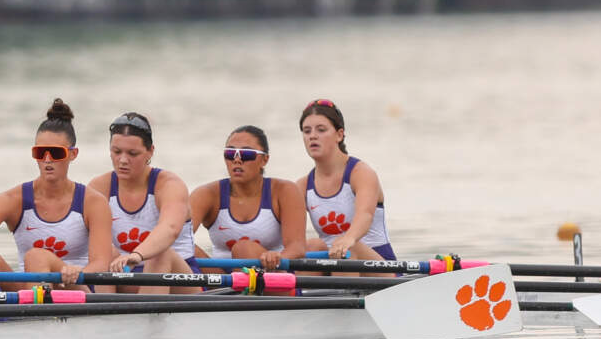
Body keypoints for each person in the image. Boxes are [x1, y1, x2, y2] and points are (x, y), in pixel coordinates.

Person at [0, 98, 114, 275]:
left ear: (73, 154)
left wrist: (77, 273)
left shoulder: (93, 202)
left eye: (56, 153)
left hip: (77, 288)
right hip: (30, 288)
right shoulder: (12, 200)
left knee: (37, 257)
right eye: (41, 153)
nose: (47, 160)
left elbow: (101, 264)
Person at [92, 111, 193, 283]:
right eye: (117, 151)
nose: (123, 160)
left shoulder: (169, 185)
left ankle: (142, 308)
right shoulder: (99, 187)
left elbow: (170, 228)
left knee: (160, 254)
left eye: (132, 154)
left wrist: (138, 255)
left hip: (178, 280)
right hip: (124, 276)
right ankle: (103, 308)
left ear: (150, 152)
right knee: (104, 253)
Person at [189, 125, 305, 264]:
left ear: (264, 160)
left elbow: (296, 247)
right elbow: (178, 238)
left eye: (246, 154)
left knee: (244, 248)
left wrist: (277, 258)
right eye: (230, 154)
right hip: (221, 275)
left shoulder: (285, 190)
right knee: (179, 248)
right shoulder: (206, 194)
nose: (237, 160)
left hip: (270, 274)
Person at [298, 98, 394, 259]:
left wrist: (348, 239)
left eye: (321, 130)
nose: (312, 136)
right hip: (333, 264)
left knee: (350, 249)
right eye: (307, 131)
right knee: (312, 246)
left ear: (339, 135)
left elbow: (365, 215)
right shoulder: (301, 186)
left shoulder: (361, 173)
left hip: (379, 267)